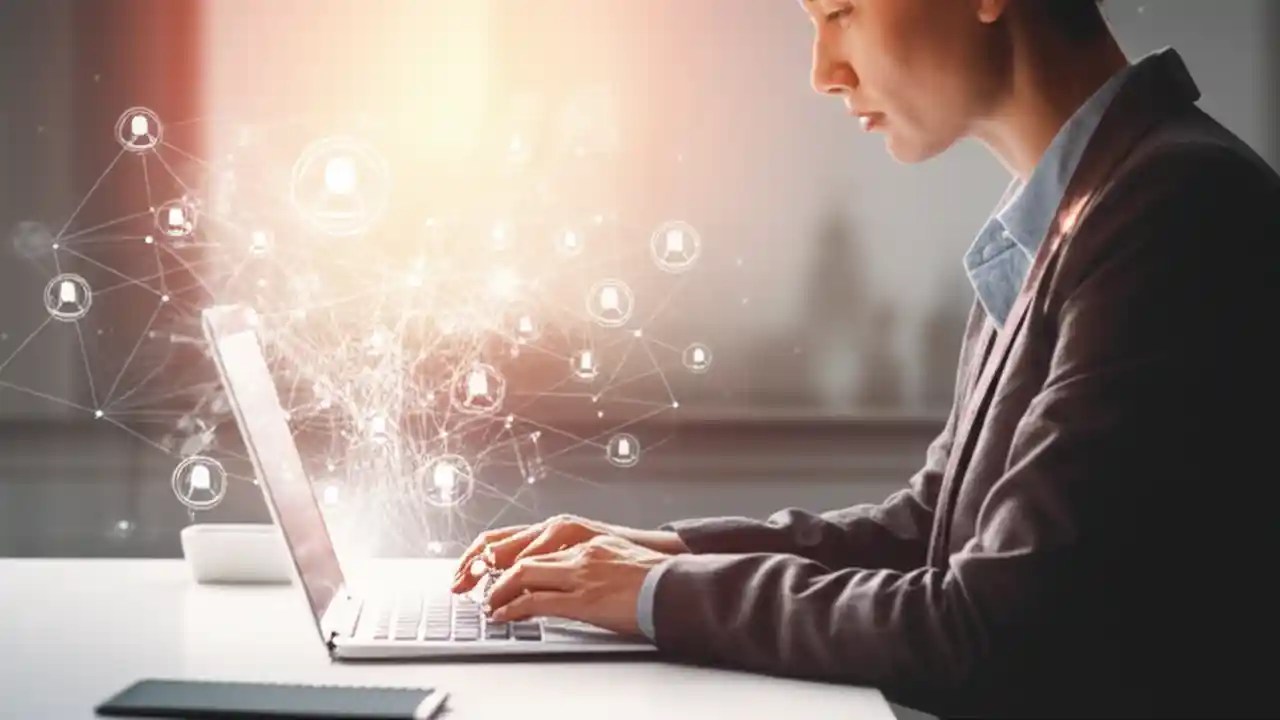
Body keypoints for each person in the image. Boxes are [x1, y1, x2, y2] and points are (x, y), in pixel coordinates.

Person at [453, 0, 1280, 716]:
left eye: (841, 12)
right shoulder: (1076, 211)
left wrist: (652, 596)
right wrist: (662, 554)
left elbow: (989, 626)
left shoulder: (1176, 211)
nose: (823, 70)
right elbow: (933, 528)